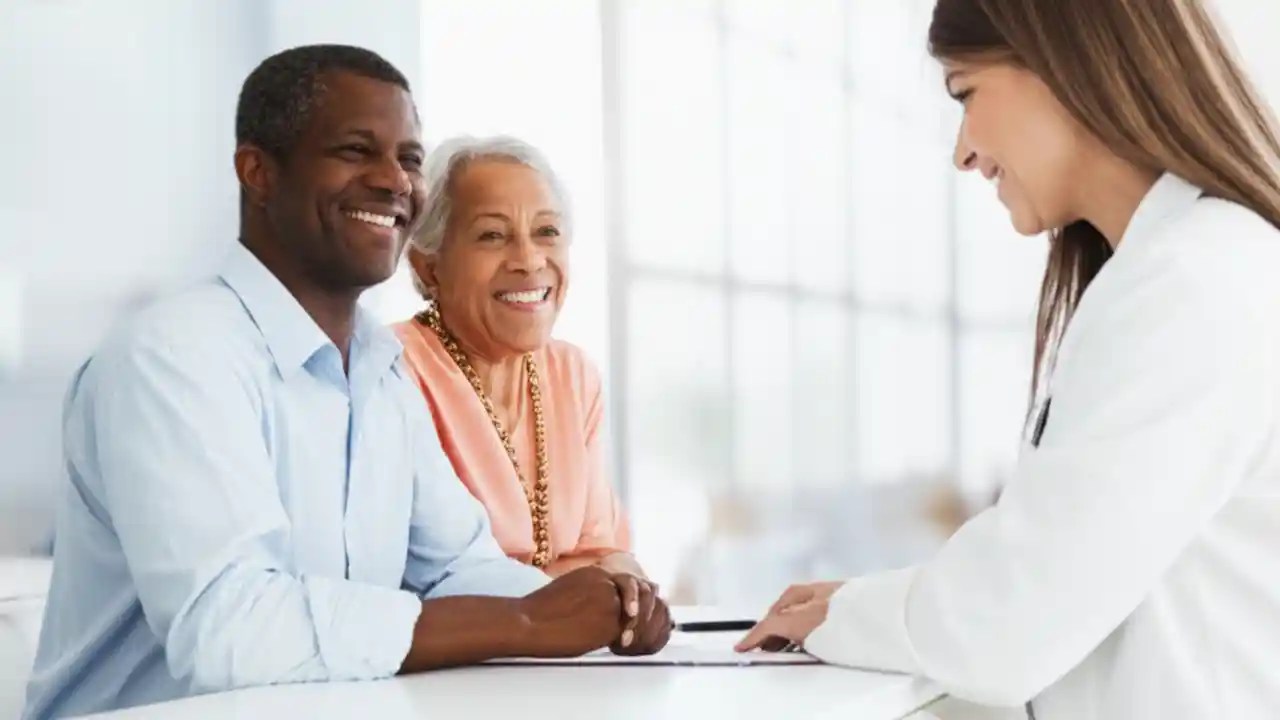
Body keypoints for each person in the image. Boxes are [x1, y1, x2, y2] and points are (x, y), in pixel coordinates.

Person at [24, 45, 669, 720]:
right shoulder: (175, 359)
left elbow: (458, 569)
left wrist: (603, 610)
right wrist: (529, 624)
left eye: (409, 159)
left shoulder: (378, 371)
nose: (395, 182)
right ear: (258, 172)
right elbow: (232, 632)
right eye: (356, 151)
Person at [738, 1, 1280, 718]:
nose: (962, 150)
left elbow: (1013, 620)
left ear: (1067, 67)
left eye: (966, 93)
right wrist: (878, 606)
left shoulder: (1193, 280)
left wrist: (851, 617)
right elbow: (1060, 566)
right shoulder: (1190, 265)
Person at [394, 136, 648, 582]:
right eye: (492, 236)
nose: (530, 261)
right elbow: (423, 577)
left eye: (547, 232)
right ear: (427, 267)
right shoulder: (391, 371)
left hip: (563, 645)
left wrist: (627, 586)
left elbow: (603, 552)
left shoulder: (573, 375)